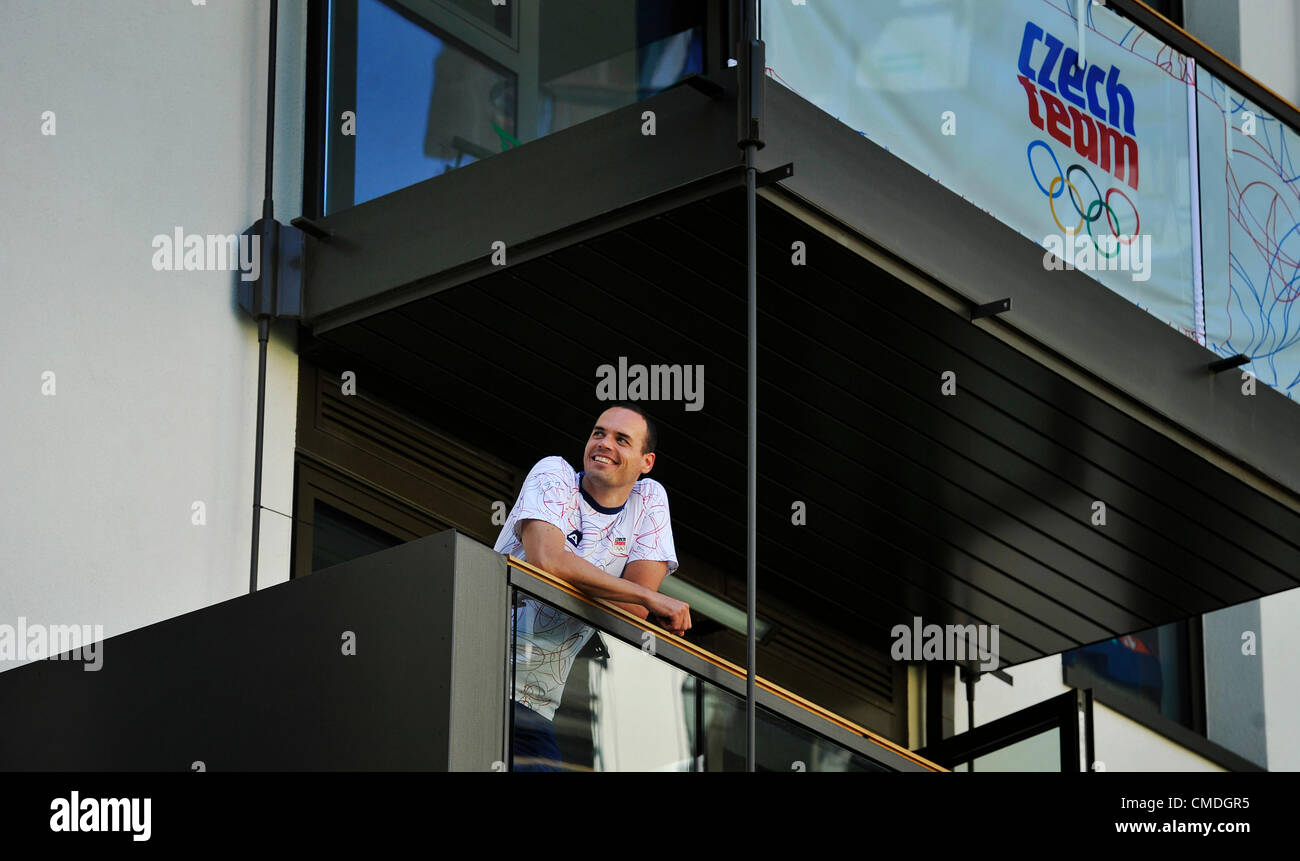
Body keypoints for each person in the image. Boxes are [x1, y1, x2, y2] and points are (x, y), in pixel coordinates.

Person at [494, 402, 691, 771]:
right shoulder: (553, 474)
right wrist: (646, 593)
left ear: (646, 461)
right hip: (479, 665)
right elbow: (547, 560)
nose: (604, 444)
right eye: (598, 433)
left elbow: (632, 612)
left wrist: (632, 595)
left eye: (621, 439)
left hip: (536, 701)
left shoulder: (648, 501)